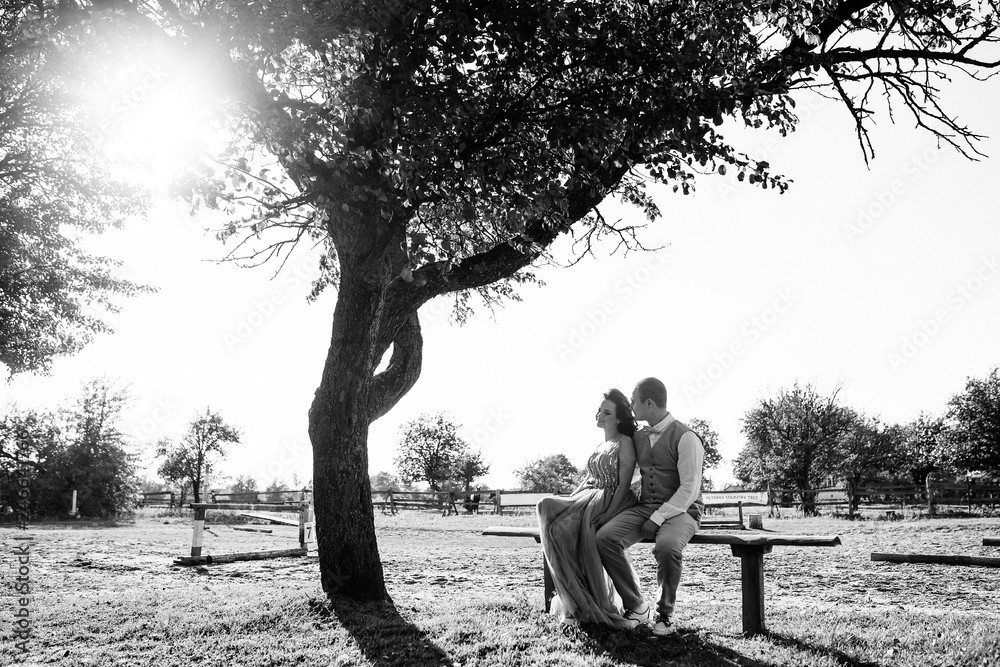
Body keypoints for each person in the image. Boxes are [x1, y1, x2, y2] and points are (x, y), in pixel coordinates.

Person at [596, 377, 705, 637]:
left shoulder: (687, 437)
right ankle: (636, 605)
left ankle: (664, 615)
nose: (632, 406)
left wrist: (658, 518)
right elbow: (625, 466)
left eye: (634, 401)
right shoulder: (639, 436)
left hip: (683, 511)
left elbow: (689, 490)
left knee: (666, 547)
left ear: (649, 402)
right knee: (604, 538)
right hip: (646, 506)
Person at [536, 389, 642, 628]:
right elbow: (588, 478)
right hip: (589, 496)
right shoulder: (601, 443)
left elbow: (624, 484)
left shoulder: (625, 443)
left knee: (562, 531)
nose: (600, 415)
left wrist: (607, 513)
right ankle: (573, 600)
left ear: (618, 418)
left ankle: (589, 603)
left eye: (607, 412)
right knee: (546, 506)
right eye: (599, 410)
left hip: (609, 499)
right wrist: (569, 500)